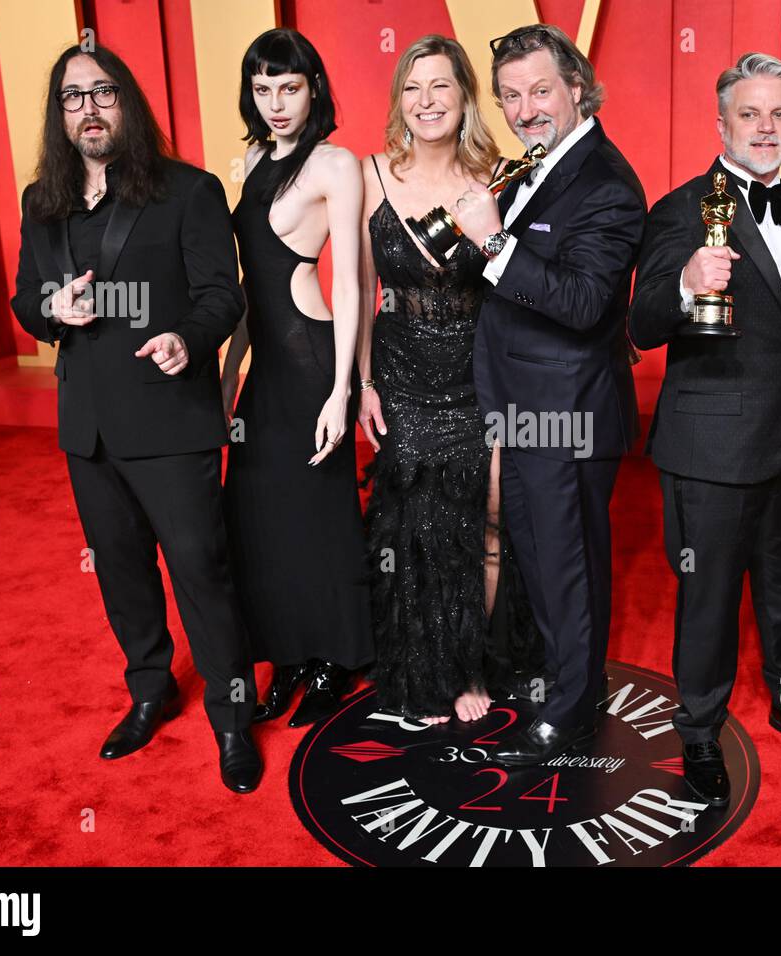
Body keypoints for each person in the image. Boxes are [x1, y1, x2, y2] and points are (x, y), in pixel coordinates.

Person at [10, 45, 262, 793]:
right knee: (121, 571)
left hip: (170, 419)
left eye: (103, 93)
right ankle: (150, 689)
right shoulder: (41, 201)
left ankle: (232, 716)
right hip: (87, 426)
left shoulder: (188, 191)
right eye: (72, 98)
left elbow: (225, 294)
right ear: (60, 116)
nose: (88, 108)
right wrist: (52, 310)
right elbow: (25, 299)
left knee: (201, 570)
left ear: (128, 103)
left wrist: (187, 337)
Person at [628, 53, 781, 808]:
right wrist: (685, 283)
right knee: (708, 599)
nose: (765, 128)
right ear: (721, 124)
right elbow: (643, 325)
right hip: (711, 448)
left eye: (779, 114)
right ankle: (700, 731)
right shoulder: (683, 208)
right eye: (750, 114)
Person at [450, 24, 646, 765]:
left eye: (539, 91)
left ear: (575, 88)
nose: (525, 108)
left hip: (568, 413)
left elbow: (585, 303)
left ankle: (573, 708)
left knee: (568, 563)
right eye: (509, 96)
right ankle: (565, 678)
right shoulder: (540, 164)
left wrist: (494, 243)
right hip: (524, 406)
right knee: (536, 553)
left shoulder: (606, 182)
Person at [356, 35, 541, 724]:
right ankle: (427, 669)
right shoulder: (370, 175)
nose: (427, 101)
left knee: (487, 520)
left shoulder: (500, 175)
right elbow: (361, 289)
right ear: (399, 100)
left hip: (481, 371)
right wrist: (363, 383)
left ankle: (474, 664)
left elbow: (517, 283)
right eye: (413, 87)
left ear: (464, 97)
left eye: (441, 86)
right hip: (402, 374)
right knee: (416, 528)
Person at [220, 28, 373, 728]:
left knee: (318, 510)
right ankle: (284, 655)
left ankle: (330, 662)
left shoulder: (336, 165)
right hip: (266, 367)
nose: (276, 102)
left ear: (314, 87)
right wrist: (228, 377)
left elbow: (351, 284)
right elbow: (251, 285)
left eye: (289, 87)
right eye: (263, 89)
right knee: (258, 512)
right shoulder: (254, 158)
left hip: (314, 362)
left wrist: (343, 390)